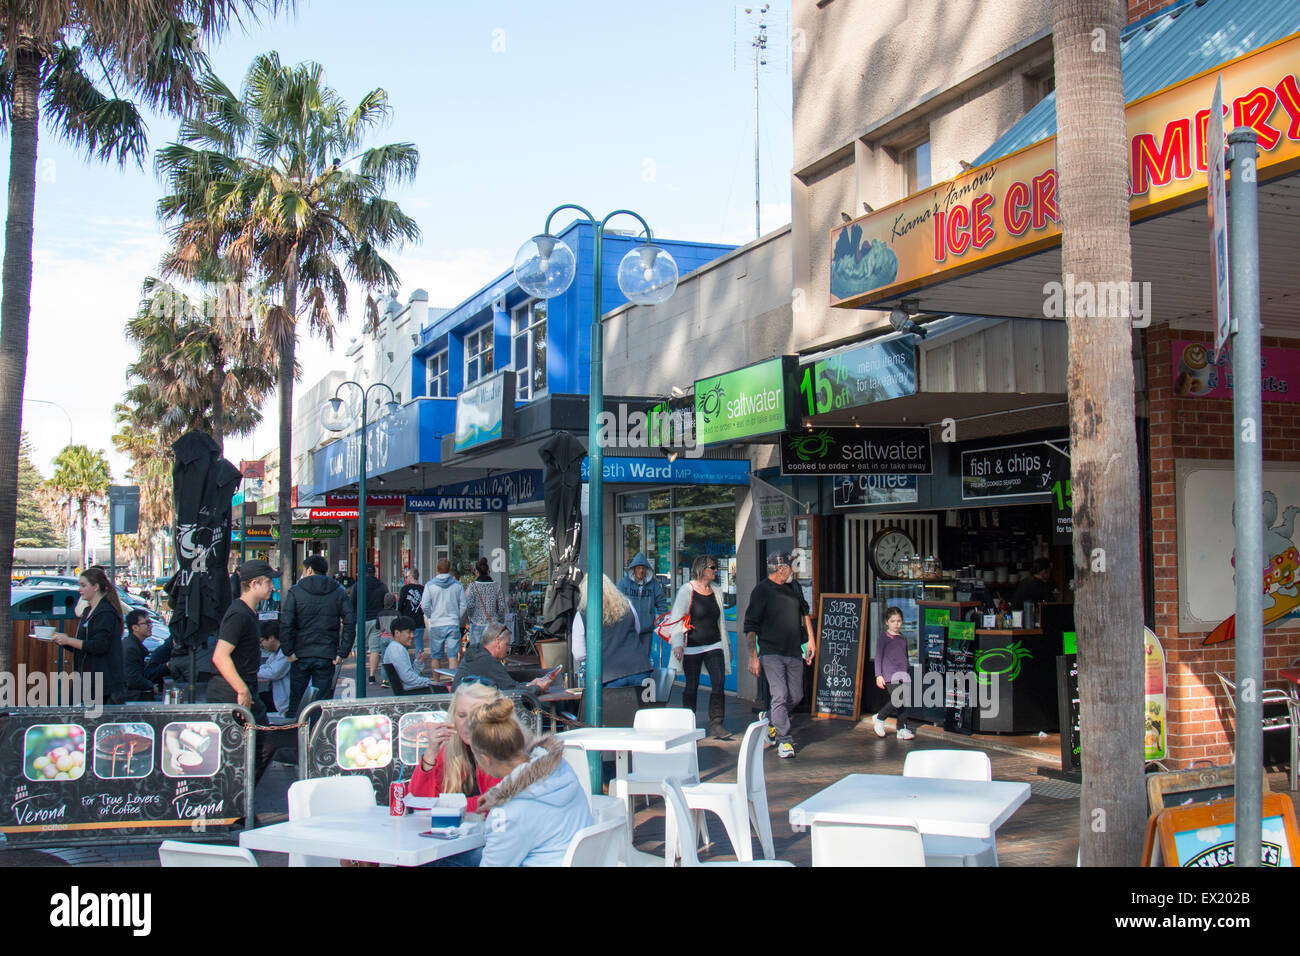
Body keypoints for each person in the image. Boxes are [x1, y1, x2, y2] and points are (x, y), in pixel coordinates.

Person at [472, 698, 593, 866]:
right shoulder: (560, 768)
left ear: (485, 758)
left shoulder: (508, 813)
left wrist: (500, 801)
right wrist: (499, 793)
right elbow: (526, 777)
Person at [207, 559, 280, 781]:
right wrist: (242, 690)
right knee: (248, 747)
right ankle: (237, 801)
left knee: (260, 745)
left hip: (243, 686)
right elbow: (220, 655)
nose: (273, 587)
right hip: (231, 690)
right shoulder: (238, 613)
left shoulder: (247, 613)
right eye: (268, 582)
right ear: (254, 584)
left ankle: (240, 800)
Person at [742, 552, 816, 758]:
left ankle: (769, 716)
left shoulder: (794, 587)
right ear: (781, 568)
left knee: (797, 695)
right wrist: (753, 656)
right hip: (770, 651)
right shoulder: (761, 591)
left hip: (793, 649)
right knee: (780, 694)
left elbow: (805, 613)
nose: (794, 570)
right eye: (791, 566)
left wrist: (811, 639)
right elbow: (750, 627)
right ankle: (784, 740)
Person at [408, 681, 504, 810]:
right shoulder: (449, 751)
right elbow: (420, 805)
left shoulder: (506, 751)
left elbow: (494, 803)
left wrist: (447, 806)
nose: (468, 724)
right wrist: (430, 753)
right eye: (462, 715)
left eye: (477, 715)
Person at [280, 554, 356, 716]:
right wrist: (343, 652)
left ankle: (295, 734)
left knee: (296, 700)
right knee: (321, 703)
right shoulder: (338, 591)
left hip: (300, 653)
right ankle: (316, 736)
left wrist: (288, 651)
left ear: (309, 570)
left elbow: (286, 623)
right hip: (326, 653)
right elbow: (350, 621)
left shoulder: (295, 591)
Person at [669, 555, 733, 739]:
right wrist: (678, 644)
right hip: (693, 647)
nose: (715, 571)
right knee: (692, 686)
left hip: (714, 644)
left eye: (715, 568)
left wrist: (726, 644)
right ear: (702, 569)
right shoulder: (686, 591)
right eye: (712, 568)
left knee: (719, 682)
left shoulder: (717, 591)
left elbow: (720, 621)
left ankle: (717, 724)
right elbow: (676, 619)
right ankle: (689, 724)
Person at [54, 566, 126, 706]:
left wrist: (69, 640)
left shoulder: (106, 613)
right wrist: (64, 642)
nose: (79, 589)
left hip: (102, 684)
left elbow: (100, 645)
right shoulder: (88, 611)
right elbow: (84, 645)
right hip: (84, 681)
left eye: (83, 585)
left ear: (95, 587)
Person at [574, 573, 650, 689]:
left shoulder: (583, 614)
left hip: (607, 674)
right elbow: (637, 630)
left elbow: (579, 654)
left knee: (614, 707)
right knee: (643, 706)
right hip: (639, 667)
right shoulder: (627, 605)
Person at [453, 623, 556, 695]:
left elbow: (509, 686)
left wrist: (530, 684)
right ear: (498, 642)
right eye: (506, 644)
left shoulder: (476, 653)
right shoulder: (487, 661)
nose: (508, 649)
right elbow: (512, 691)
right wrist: (538, 688)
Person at [617, 552, 668, 666]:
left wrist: (662, 619)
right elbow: (617, 603)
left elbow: (661, 601)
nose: (641, 571)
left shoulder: (653, 584)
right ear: (633, 569)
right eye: (639, 568)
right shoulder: (623, 583)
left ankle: (643, 683)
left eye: (643, 568)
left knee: (644, 659)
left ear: (647, 570)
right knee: (629, 659)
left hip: (646, 629)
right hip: (629, 629)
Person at [872, 606, 914, 741]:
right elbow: (878, 656)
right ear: (886, 622)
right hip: (890, 674)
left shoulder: (903, 638)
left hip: (903, 675)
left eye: (899, 621)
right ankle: (880, 717)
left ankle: (901, 729)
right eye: (893, 621)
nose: (896, 624)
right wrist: (878, 675)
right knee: (897, 698)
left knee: (903, 702)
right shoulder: (883, 637)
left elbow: (905, 656)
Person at [421, 558, 467, 670]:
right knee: (452, 657)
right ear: (449, 569)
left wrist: (431, 616)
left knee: (436, 657)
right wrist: (457, 617)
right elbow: (463, 605)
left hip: (437, 624)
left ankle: (436, 682)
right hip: (452, 623)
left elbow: (425, 605)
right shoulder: (457, 585)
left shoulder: (430, 585)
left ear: (437, 569)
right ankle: (452, 683)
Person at [348, 563, 388, 685]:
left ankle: (360, 672)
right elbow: (385, 602)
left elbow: (352, 604)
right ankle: (371, 675)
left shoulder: (357, 586)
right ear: (374, 572)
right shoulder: (382, 586)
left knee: (360, 648)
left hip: (361, 620)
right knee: (375, 649)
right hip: (376, 620)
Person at [382, 616, 436, 692]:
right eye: (409, 632)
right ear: (397, 633)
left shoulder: (395, 647)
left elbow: (409, 675)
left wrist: (418, 663)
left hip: (407, 690)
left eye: (413, 632)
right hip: (410, 692)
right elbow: (408, 678)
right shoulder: (397, 649)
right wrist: (430, 682)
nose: (412, 636)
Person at [465, 557, 508, 647]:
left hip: (477, 624)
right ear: (488, 571)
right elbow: (502, 607)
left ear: (477, 572)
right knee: (491, 653)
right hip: (493, 625)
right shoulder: (497, 586)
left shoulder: (473, 586)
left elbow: (470, 605)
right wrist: (499, 619)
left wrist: (470, 617)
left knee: (476, 653)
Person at [122, 609, 158, 702]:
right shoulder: (131, 648)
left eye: (150, 622)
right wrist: (151, 686)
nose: (151, 626)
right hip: (127, 697)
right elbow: (132, 679)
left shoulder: (132, 644)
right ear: (135, 628)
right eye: (147, 623)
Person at [257, 625, 292, 716]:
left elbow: (274, 672)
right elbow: (266, 666)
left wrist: (253, 672)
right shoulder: (275, 654)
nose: (261, 645)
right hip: (277, 695)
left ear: (271, 638)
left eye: (262, 641)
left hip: (284, 699)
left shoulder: (285, 653)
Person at [397, 568, 427, 660]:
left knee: (404, 644)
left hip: (407, 621)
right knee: (419, 645)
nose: (406, 578)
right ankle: (419, 666)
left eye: (406, 576)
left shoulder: (405, 589)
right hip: (419, 621)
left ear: (411, 576)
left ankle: (404, 665)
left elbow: (400, 605)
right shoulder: (423, 589)